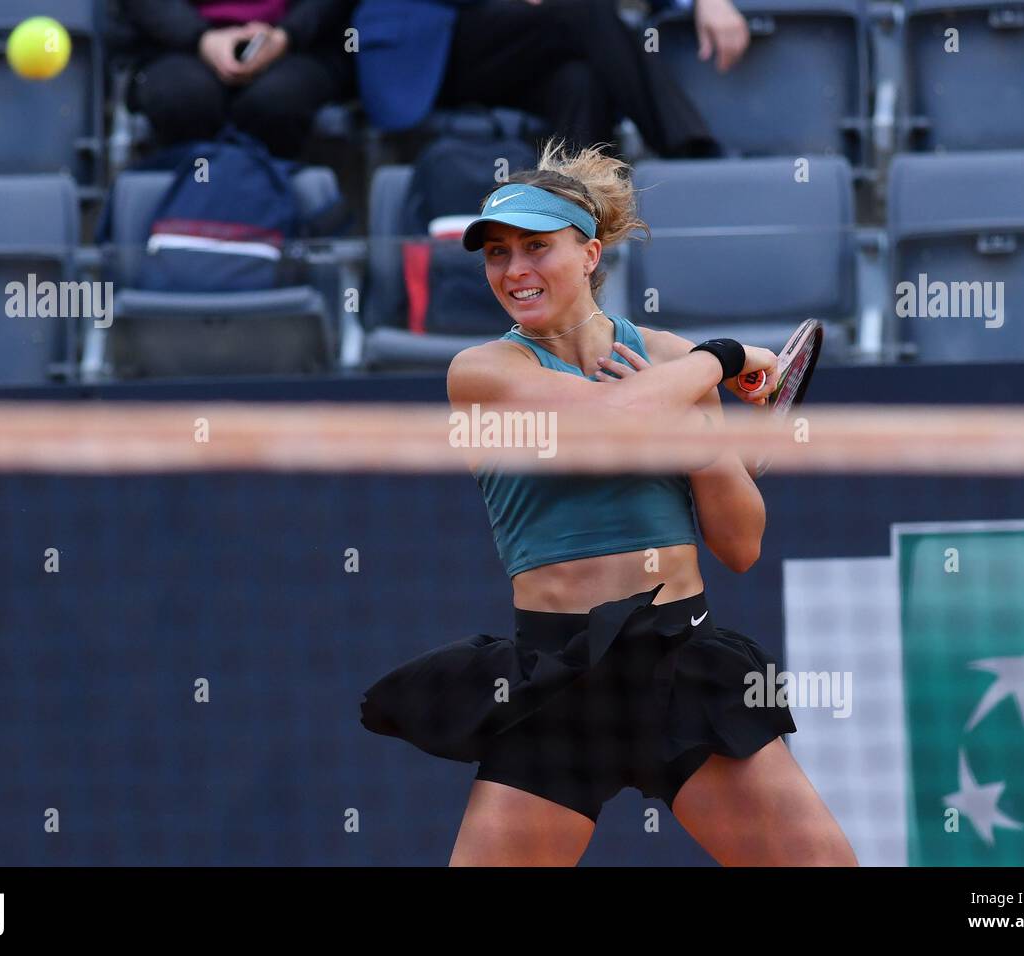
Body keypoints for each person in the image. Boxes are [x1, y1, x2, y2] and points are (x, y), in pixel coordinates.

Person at [360, 138, 859, 866]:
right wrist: (721, 358)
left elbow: (741, 545)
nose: (515, 270)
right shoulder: (484, 371)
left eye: (537, 247)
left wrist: (696, 435)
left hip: (679, 665)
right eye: (497, 254)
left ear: (590, 254)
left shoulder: (665, 360)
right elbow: (613, 418)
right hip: (559, 684)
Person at [353, 0, 727, 157]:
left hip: (528, 47)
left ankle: (576, 223)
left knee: (581, 81)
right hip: (435, 46)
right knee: (581, 10)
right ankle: (688, 151)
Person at [117, 0, 358, 158]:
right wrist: (200, 39)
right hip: (174, 45)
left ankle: (267, 209)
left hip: (298, 46)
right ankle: (192, 208)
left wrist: (287, 35)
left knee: (276, 102)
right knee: (182, 98)